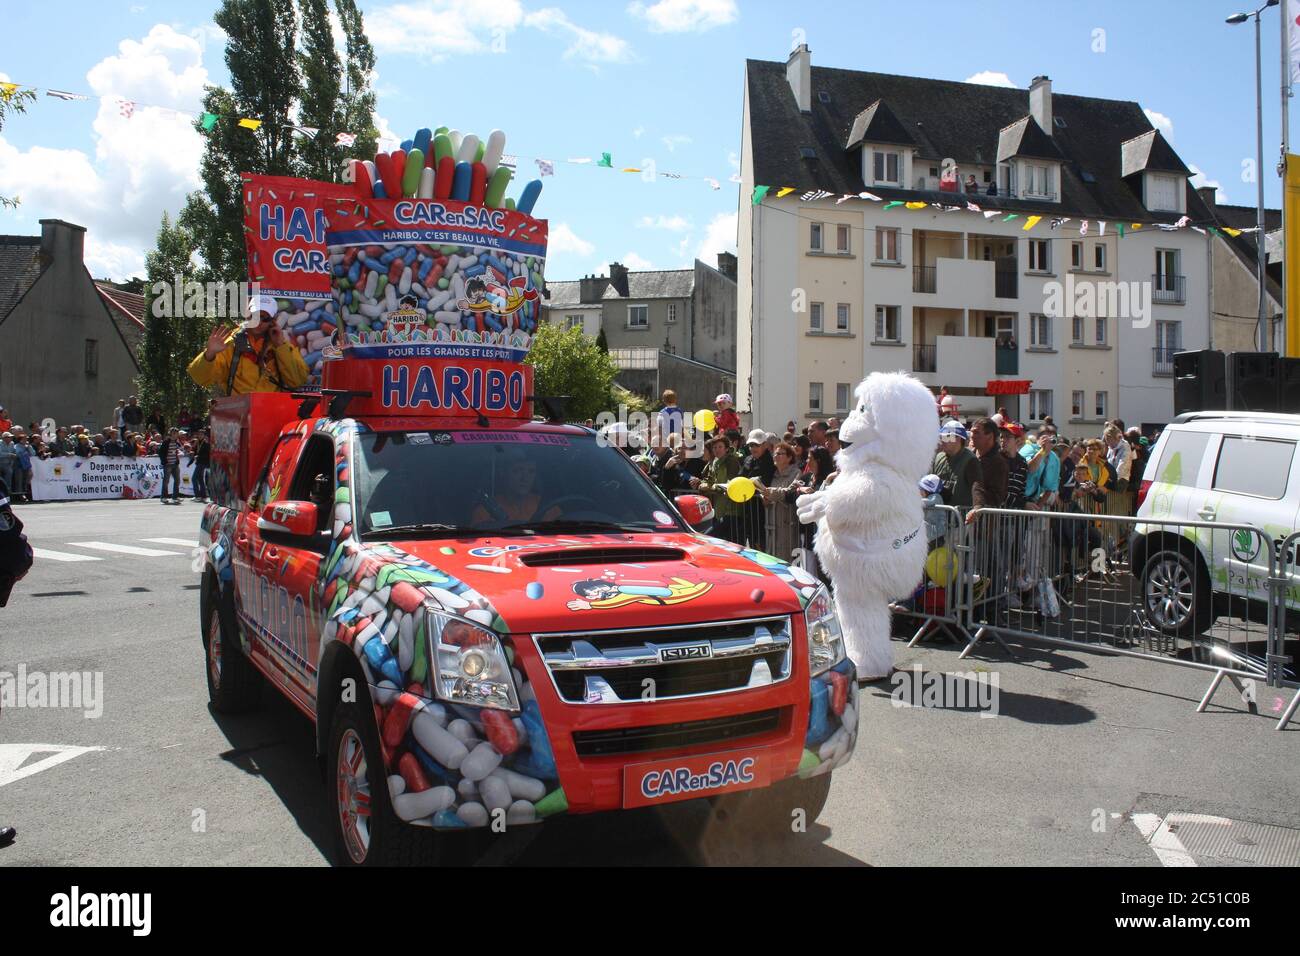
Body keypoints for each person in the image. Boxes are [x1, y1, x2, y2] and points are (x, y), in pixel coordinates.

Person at [188, 295, 310, 395]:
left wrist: (280, 345)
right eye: (255, 315)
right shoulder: (231, 343)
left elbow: (297, 381)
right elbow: (200, 378)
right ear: (248, 315)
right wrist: (209, 354)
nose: (259, 322)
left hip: (271, 413)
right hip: (238, 415)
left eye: (265, 318)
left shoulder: (280, 345)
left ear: (273, 321)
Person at [470, 451, 561, 524]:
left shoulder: (547, 507)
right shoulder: (486, 511)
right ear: (504, 473)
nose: (525, 478)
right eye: (517, 470)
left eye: (531, 471)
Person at [690, 435, 742, 542]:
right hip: (719, 509)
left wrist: (710, 487)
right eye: (714, 447)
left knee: (712, 538)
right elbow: (709, 480)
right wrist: (700, 483)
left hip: (732, 510)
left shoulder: (731, 461)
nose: (717, 450)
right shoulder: (714, 462)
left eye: (720, 447)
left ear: (726, 448)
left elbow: (730, 484)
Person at [761, 442, 804, 561]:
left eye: (780, 454)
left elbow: (791, 492)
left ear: (789, 457)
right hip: (772, 523)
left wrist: (771, 493)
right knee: (772, 556)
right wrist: (765, 499)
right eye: (775, 454)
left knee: (787, 558)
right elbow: (771, 496)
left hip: (788, 523)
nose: (776, 456)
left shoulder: (796, 473)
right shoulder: (774, 475)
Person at [739, 429, 775, 549]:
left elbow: (766, 481)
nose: (753, 448)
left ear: (765, 445)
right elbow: (740, 477)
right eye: (751, 445)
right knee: (751, 542)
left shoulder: (770, 461)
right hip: (747, 508)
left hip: (762, 510)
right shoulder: (748, 459)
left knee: (761, 545)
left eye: (756, 445)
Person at [933, 421, 978, 507]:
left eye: (946, 436)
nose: (942, 440)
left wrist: (977, 507)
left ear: (958, 439)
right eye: (941, 436)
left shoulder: (970, 460)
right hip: (939, 516)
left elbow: (977, 487)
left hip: (961, 517)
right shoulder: (938, 457)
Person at [157, 427, 184, 504]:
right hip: (168, 464)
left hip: (175, 464)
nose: (176, 435)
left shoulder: (177, 442)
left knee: (177, 480)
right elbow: (161, 452)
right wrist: (164, 462)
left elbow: (180, 449)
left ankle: (175, 497)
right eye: (175, 433)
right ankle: (164, 497)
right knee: (166, 481)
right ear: (171, 433)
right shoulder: (166, 442)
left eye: (177, 433)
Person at [192, 428, 211, 502]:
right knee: (200, 479)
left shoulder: (206, 444)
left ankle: (197, 495)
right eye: (199, 434)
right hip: (199, 462)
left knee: (194, 478)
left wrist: (198, 456)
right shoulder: (198, 443)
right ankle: (203, 496)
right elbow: (195, 452)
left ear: (204, 435)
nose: (199, 436)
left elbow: (207, 455)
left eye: (201, 434)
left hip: (203, 463)